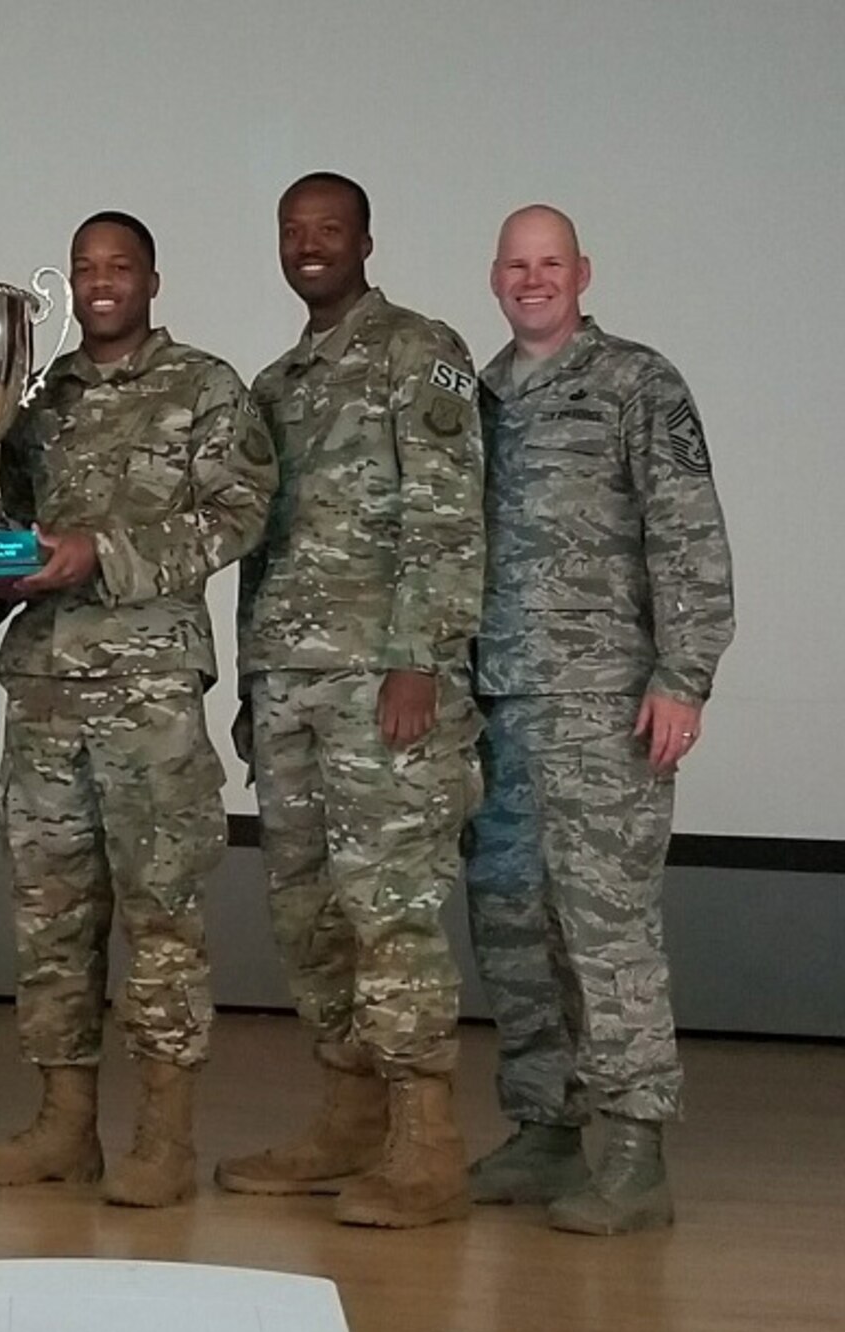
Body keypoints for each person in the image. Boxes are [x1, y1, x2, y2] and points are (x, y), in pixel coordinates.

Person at [0, 212, 276, 1208]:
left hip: (148, 697)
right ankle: (63, 1126)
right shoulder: (37, 399)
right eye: (85, 269)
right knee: (49, 919)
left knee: (160, 916)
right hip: (43, 691)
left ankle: (162, 1138)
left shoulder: (204, 388)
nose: (101, 283)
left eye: (119, 267)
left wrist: (108, 552)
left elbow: (239, 511)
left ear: (151, 279)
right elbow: (8, 520)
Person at [216, 172, 485, 1228]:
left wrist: (421, 655)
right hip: (288, 688)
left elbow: (450, 511)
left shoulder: (420, 351)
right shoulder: (277, 383)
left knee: (390, 909)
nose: (309, 245)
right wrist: (250, 684)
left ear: (365, 239)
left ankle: (425, 1144)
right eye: (292, 231)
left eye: (328, 229)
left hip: (385, 685)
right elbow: (259, 551)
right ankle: (346, 1117)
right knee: (308, 913)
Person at [465, 204, 734, 1236]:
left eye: (548, 264)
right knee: (513, 925)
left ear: (580, 273)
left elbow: (686, 534)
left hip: (603, 704)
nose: (530, 280)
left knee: (605, 928)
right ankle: (544, 1126)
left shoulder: (636, 382)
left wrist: (683, 673)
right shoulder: (481, 395)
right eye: (514, 265)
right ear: (495, 277)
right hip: (499, 705)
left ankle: (633, 1144)